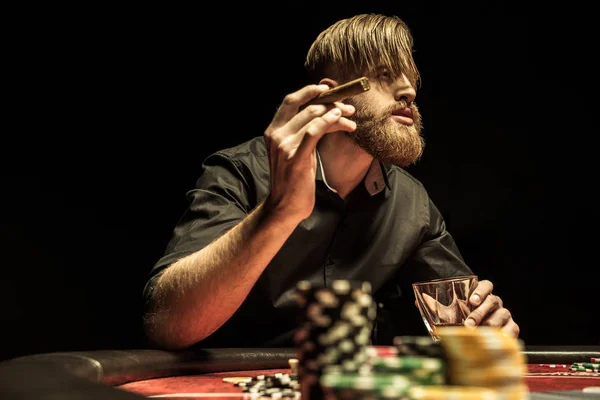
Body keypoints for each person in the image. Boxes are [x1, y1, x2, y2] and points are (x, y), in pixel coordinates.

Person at [142, 13, 520, 350]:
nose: (409, 91)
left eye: (410, 78)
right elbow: (169, 326)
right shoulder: (240, 170)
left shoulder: (412, 201)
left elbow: (463, 320)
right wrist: (279, 212)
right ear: (332, 96)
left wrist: (485, 325)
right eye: (385, 74)